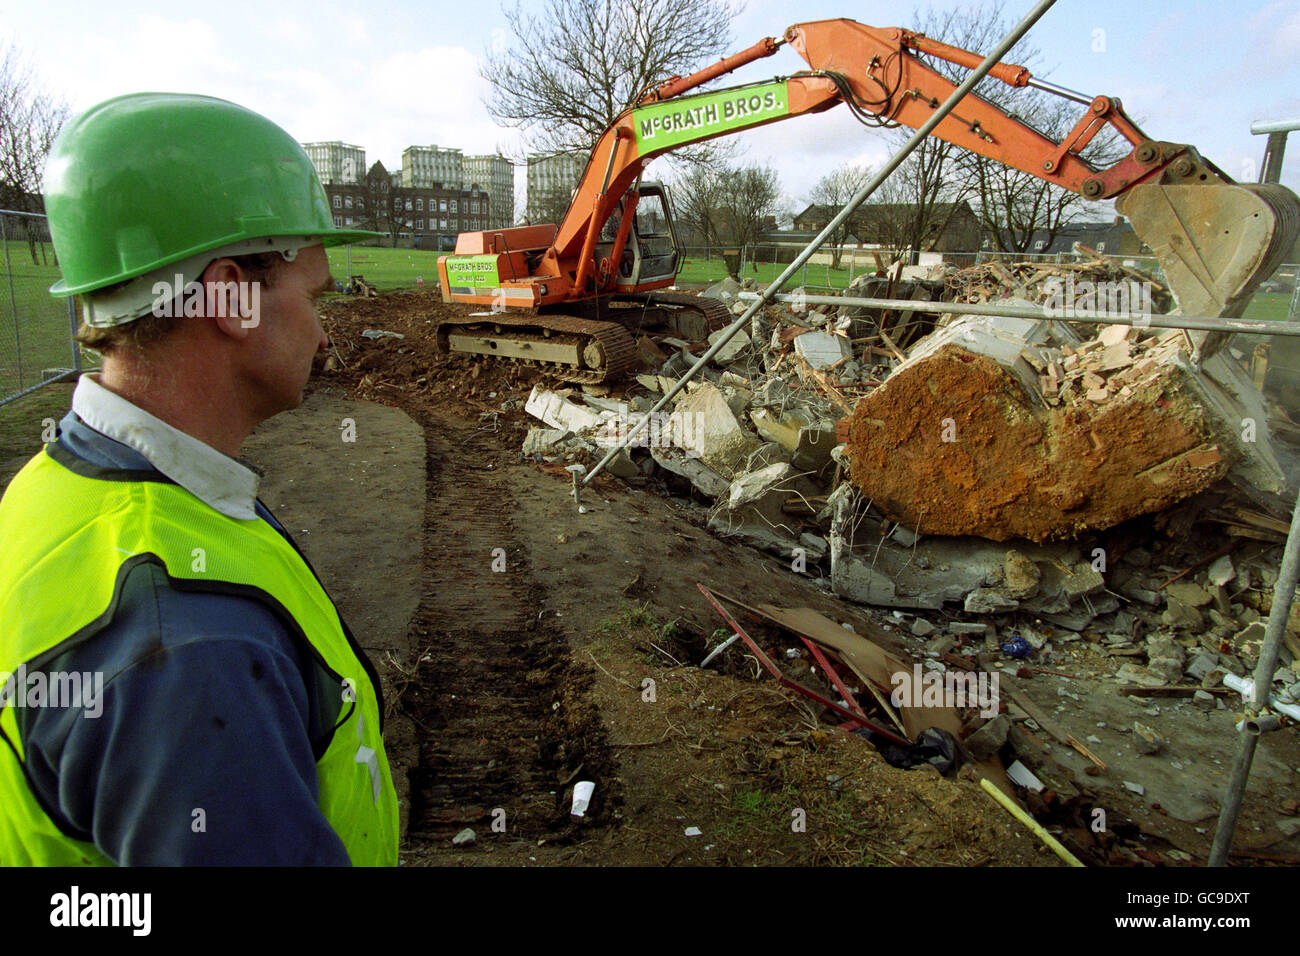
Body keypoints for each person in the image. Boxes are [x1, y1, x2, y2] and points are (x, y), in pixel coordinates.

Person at [0, 92, 399, 865]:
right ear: (229, 296)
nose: (323, 332)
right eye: (312, 296)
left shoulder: (54, 487)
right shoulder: (188, 655)